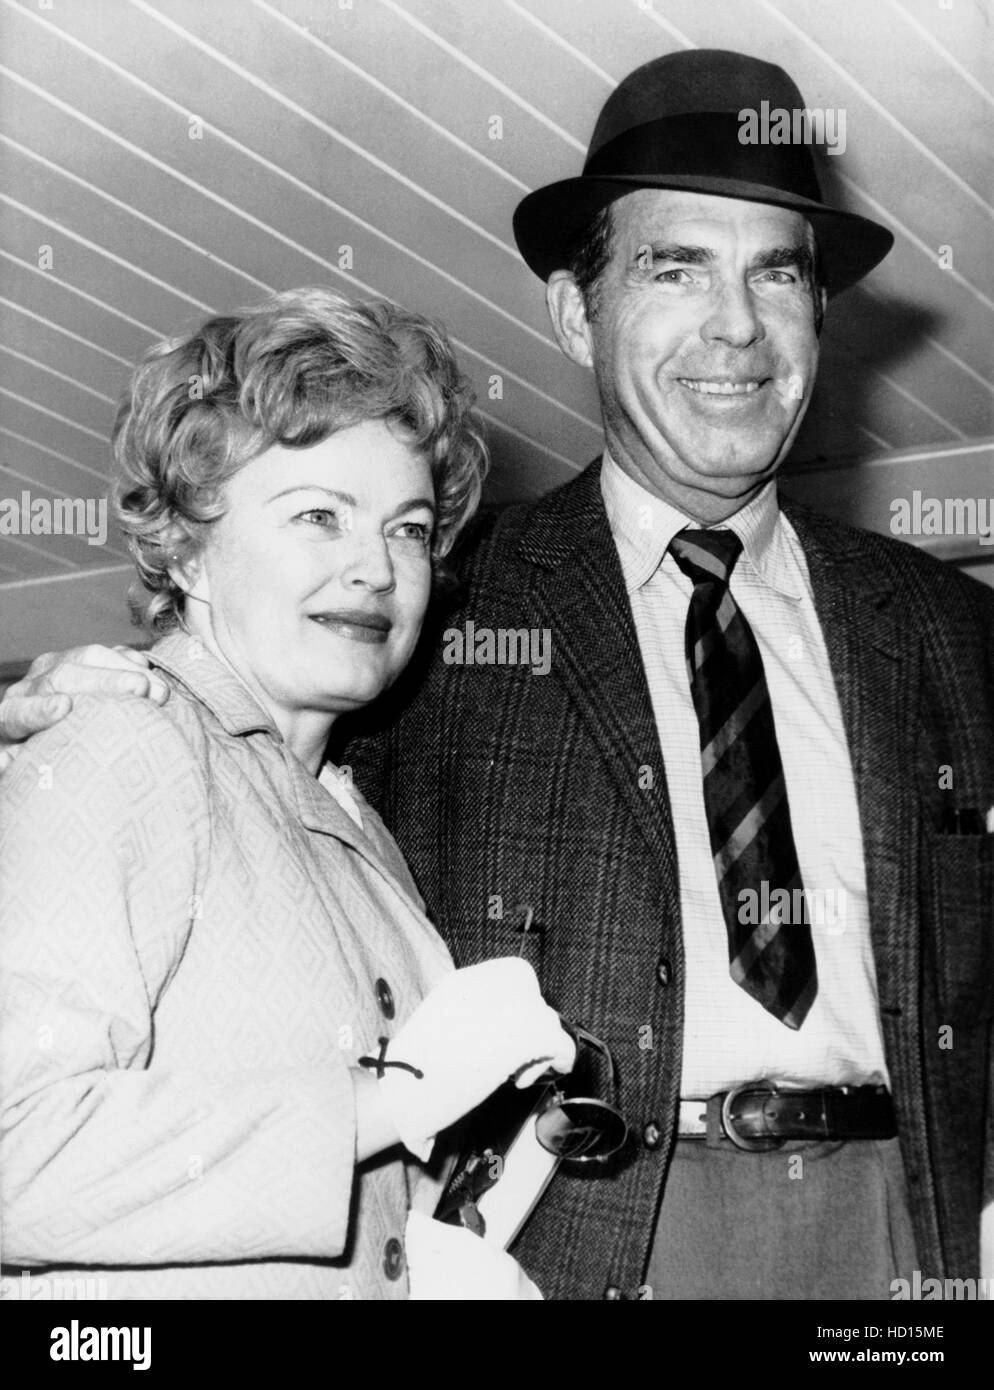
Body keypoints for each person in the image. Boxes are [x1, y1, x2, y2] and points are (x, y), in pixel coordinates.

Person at [3, 52, 992, 1301]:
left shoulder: (955, 631)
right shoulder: (424, 606)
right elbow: (225, 732)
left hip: (910, 1232)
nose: (736, 326)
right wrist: (88, 698)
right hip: (564, 1247)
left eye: (777, 273)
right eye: (675, 265)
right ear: (576, 314)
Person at [0, 287, 575, 1300]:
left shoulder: (348, 818)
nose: (374, 569)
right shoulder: (126, 738)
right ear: (187, 549)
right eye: (319, 516)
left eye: (406, 530)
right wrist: (384, 1103)